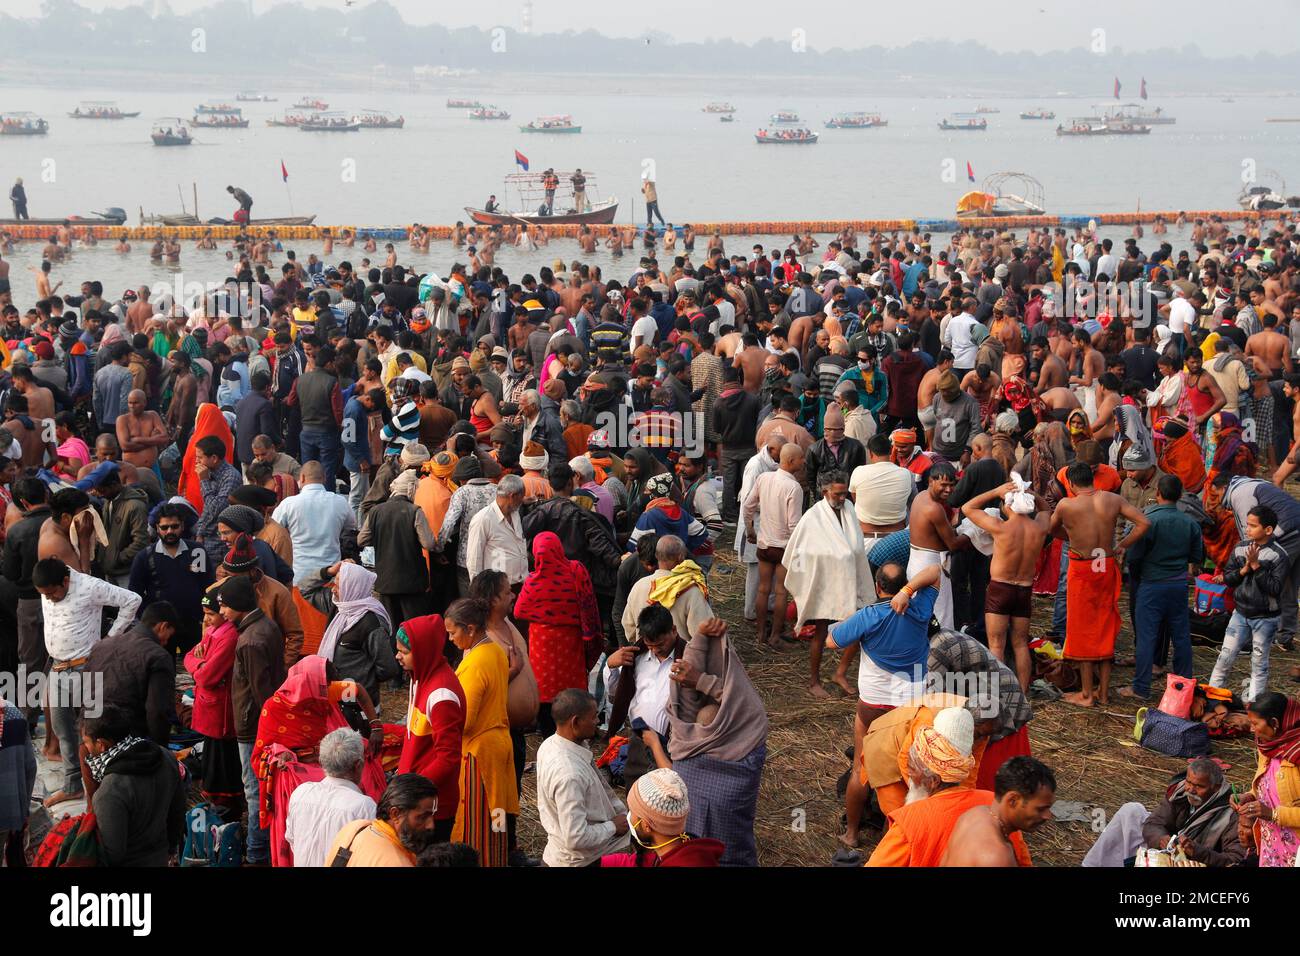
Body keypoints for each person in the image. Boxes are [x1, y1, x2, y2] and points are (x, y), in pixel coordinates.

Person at [829, 563, 941, 848]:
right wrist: (909, 592)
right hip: (910, 709)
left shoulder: (868, 616)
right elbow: (935, 571)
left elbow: (831, 640)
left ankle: (851, 834)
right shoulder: (920, 608)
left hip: (872, 706)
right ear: (905, 584)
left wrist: (853, 625)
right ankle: (900, 837)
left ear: (878, 586)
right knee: (911, 774)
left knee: (860, 770)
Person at [252, 655, 386, 866]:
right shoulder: (275, 707)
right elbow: (261, 753)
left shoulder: (324, 688)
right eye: (326, 686)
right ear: (309, 684)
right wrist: (281, 754)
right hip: (298, 774)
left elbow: (358, 689)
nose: (331, 691)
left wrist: (376, 725)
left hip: (330, 762)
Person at [33, 557, 142, 807]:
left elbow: (132, 600)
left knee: (92, 731)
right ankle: (72, 786)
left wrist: (110, 639)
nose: (48, 598)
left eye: (52, 593)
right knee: (62, 729)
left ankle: (100, 787)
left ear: (65, 581)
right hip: (58, 667)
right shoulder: (48, 587)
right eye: (44, 595)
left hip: (87, 668)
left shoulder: (90, 586)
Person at [866, 708, 1032, 867]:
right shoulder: (997, 806)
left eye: (913, 768)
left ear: (934, 781)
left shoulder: (908, 823)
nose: (908, 773)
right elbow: (1023, 861)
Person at [666, 618, 769, 866]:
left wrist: (699, 679)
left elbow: (693, 701)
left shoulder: (684, 742)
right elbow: (738, 699)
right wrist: (699, 647)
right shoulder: (746, 725)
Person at [1048, 461, 1150, 707]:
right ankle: (1103, 695)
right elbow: (1145, 523)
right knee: (1104, 628)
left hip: (1082, 567)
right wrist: (1121, 546)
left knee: (1083, 631)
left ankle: (1086, 695)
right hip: (1104, 565)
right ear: (1092, 480)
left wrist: (1072, 536)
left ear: (1071, 483)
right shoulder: (1112, 500)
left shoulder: (1066, 505)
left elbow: (1052, 531)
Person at [783, 469, 875, 698]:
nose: (842, 498)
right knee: (820, 631)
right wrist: (829, 557)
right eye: (838, 494)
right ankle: (813, 681)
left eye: (845, 494)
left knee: (860, 627)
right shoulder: (812, 517)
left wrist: (842, 554)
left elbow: (854, 544)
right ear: (825, 492)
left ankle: (840, 673)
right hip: (824, 581)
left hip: (850, 578)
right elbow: (798, 553)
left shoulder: (849, 509)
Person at [446, 597, 519, 866]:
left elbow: (464, 719)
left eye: (453, 632)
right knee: (497, 815)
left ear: (471, 628)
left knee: (478, 822)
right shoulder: (495, 652)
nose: (451, 639)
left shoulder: (476, 662)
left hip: (479, 754)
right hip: (499, 745)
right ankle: (498, 858)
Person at [959, 479, 1049, 691]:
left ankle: (997, 695)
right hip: (1024, 590)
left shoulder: (1000, 527)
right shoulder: (1039, 528)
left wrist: (996, 490)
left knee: (997, 644)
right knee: (1020, 644)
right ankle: (1023, 694)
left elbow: (967, 507)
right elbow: (1046, 508)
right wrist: (1030, 493)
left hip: (1001, 589)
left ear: (1007, 506)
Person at [513, 531, 602, 737]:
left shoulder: (533, 582)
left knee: (545, 694)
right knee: (571, 691)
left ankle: (549, 737)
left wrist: (544, 612)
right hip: (570, 645)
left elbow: (519, 610)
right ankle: (575, 731)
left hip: (542, 647)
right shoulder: (575, 572)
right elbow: (588, 606)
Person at [224, 573, 286, 866]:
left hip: (253, 727)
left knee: (254, 790)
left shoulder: (249, 640)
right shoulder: (266, 626)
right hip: (260, 721)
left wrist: (267, 729)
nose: (221, 611)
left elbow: (261, 693)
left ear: (237, 605)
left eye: (224, 606)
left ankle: (257, 851)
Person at [1082, 757, 1244, 867]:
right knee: (1131, 811)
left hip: (1193, 862)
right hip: (1166, 852)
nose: (1191, 790)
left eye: (1199, 787)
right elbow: (1154, 823)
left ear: (1215, 788)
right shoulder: (1180, 792)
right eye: (1189, 782)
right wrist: (1162, 839)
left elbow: (1234, 860)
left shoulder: (1230, 812)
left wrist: (1197, 851)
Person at [81, 706, 187, 867]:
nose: (86, 748)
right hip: (160, 857)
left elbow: (113, 853)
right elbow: (178, 810)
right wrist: (170, 849)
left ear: (101, 744)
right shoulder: (166, 757)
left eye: (86, 742)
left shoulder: (109, 792)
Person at [535, 688, 630, 866]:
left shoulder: (550, 744)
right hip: (579, 862)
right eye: (594, 717)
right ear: (576, 722)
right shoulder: (569, 774)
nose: (598, 721)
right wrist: (613, 827)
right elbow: (575, 837)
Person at [394, 614, 465, 843]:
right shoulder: (420, 678)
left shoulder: (442, 695)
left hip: (431, 808)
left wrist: (410, 789)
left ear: (423, 652)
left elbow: (448, 758)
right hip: (415, 798)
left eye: (404, 652)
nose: (398, 657)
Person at [1208, 505, 1287, 702]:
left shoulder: (1278, 555)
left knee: (1259, 664)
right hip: (1240, 612)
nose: (1247, 529)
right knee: (1224, 658)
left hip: (1265, 618)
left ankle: (1254, 708)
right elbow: (1228, 577)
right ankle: (1210, 699)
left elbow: (1275, 589)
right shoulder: (1241, 547)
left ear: (1268, 530)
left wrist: (1256, 567)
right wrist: (1243, 570)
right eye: (1247, 525)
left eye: (1253, 526)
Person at [298, 561, 398, 707]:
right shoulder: (338, 606)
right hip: (334, 698)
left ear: (352, 588)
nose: (333, 590)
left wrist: (364, 678)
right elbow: (304, 588)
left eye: (338, 586)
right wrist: (329, 571)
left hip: (359, 705)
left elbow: (388, 668)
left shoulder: (371, 624)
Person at [85, 601, 178, 747]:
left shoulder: (101, 645)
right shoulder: (158, 656)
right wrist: (160, 748)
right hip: (127, 744)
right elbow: (158, 711)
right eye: (169, 635)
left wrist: (85, 734)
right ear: (163, 626)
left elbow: (82, 692)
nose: (166, 642)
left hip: (90, 739)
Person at [184, 590, 242, 818]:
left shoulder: (228, 636)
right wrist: (200, 664)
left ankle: (226, 813)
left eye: (210, 614)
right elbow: (190, 655)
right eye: (205, 614)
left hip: (221, 713)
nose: (206, 619)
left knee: (223, 766)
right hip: (210, 707)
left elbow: (208, 676)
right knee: (213, 759)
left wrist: (199, 666)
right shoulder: (215, 631)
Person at [284, 728, 378, 868]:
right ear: (358, 765)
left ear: (321, 762)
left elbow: (292, 840)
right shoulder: (364, 806)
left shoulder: (301, 793)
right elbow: (370, 857)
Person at [742, 442, 804, 648]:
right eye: (801, 458)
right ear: (792, 461)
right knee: (780, 592)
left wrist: (750, 530)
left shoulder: (764, 478)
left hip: (764, 545)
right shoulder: (794, 487)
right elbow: (794, 524)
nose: (804, 462)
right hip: (783, 547)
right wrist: (800, 549)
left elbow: (748, 505)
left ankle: (760, 633)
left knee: (762, 589)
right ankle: (775, 636)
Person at [941, 757, 1056, 867]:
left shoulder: (974, 814)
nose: (1047, 816)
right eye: (1040, 809)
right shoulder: (997, 857)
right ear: (1013, 800)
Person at [599, 768, 725, 868]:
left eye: (632, 811)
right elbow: (643, 862)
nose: (629, 817)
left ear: (646, 825)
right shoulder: (685, 848)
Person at [1234, 693, 1300, 866]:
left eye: (1255, 724)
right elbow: (1267, 784)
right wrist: (1249, 796)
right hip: (1273, 846)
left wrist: (1272, 814)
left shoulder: (1296, 755)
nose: (1251, 729)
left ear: (1275, 723)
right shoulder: (1268, 747)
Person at [271, 460, 357, 587]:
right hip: (332, 574)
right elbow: (351, 529)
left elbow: (273, 531)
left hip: (299, 575)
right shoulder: (340, 502)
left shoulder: (289, 504)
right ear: (324, 478)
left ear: (302, 478)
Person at [325, 772, 439, 868]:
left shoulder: (355, 829)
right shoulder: (398, 863)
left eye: (432, 816)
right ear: (395, 814)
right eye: (422, 817)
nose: (431, 825)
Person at [907, 460, 967, 630]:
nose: (948, 490)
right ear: (931, 481)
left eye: (952, 485)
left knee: (922, 611)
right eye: (944, 485)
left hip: (918, 561)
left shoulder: (920, 496)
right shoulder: (934, 508)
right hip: (930, 564)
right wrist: (972, 533)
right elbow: (953, 544)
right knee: (939, 615)